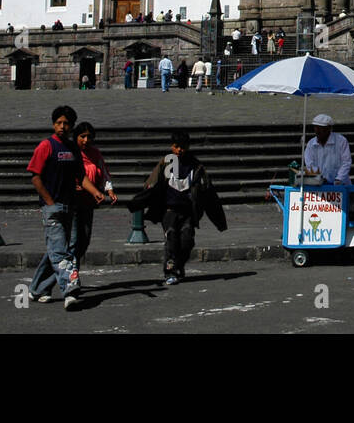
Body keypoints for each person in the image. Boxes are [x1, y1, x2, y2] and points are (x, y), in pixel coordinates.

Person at [28, 106, 104, 309]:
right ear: (53, 124)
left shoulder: (72, 150)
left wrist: (95, 191)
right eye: (58, 123)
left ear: (71, 126)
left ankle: (37, 288)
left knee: (56, 250)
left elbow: (81, 176)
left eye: (66, 123)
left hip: (69, 206)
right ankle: (70, 290)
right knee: (61, 251)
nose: (62, 126)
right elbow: (35, 176)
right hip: (52, 207)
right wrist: (48, 201)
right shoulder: (46, 146)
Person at [128, 130, 226, 286]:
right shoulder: (168, 162)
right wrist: (141, 200)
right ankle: (170, 271)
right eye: (176, 147)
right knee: (172, 238)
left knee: (187, 240)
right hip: (169, 210)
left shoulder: (196, 166)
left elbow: (209, 193)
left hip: (188, 210)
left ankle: (179, 265)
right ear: (172, 147)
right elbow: (153, 184)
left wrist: (219, 220)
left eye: (183, 147)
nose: (179, 150)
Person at [71, 122, 117, 264]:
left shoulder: (95, 154)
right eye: (82, 136)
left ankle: (73, 267)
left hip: (88, 202)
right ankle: (70, 274)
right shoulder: (70, 152)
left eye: (89, 137)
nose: (86, 140)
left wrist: (109, 189)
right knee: (73, 239)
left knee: (84, 238)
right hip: (72, 202)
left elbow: (103, 172)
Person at [302, 113, 352, 185]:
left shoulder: (341, 141)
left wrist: (339, 179)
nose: (318, 131)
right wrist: (318, 178)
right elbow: (310, 165)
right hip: (320, 185)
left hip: (341, 184)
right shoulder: (311, 144)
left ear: (329, 129)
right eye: (316, 127)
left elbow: (346, 162)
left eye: (321, 128)